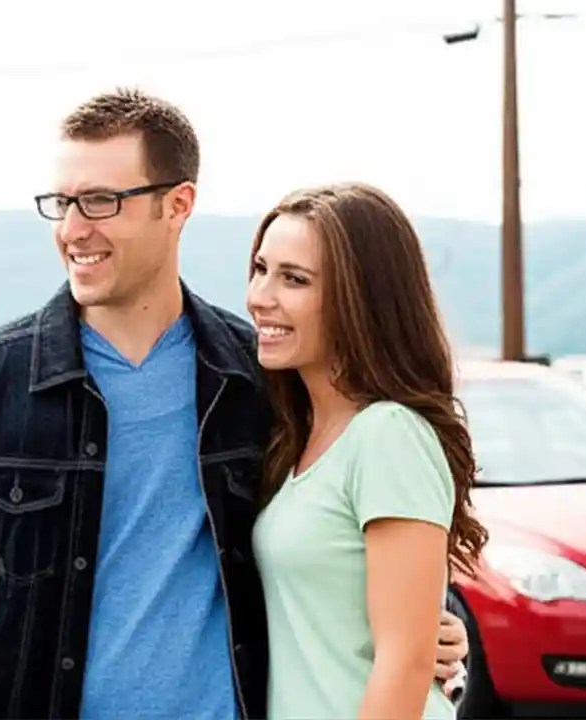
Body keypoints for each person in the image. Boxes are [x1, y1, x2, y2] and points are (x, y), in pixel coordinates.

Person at [0, 88, 469, 719]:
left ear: (178, 205)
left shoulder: (258, 381)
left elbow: (338, 558)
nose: (72, 229)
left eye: (100, 201)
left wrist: (423, 636)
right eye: (62, 203)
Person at [247, 182, 487, 719]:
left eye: (294, 279)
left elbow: (403, 664)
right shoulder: (296, 437)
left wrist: (428, 638)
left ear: (360, 298)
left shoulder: (390, 435)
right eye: (261, 269)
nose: (260, 296)